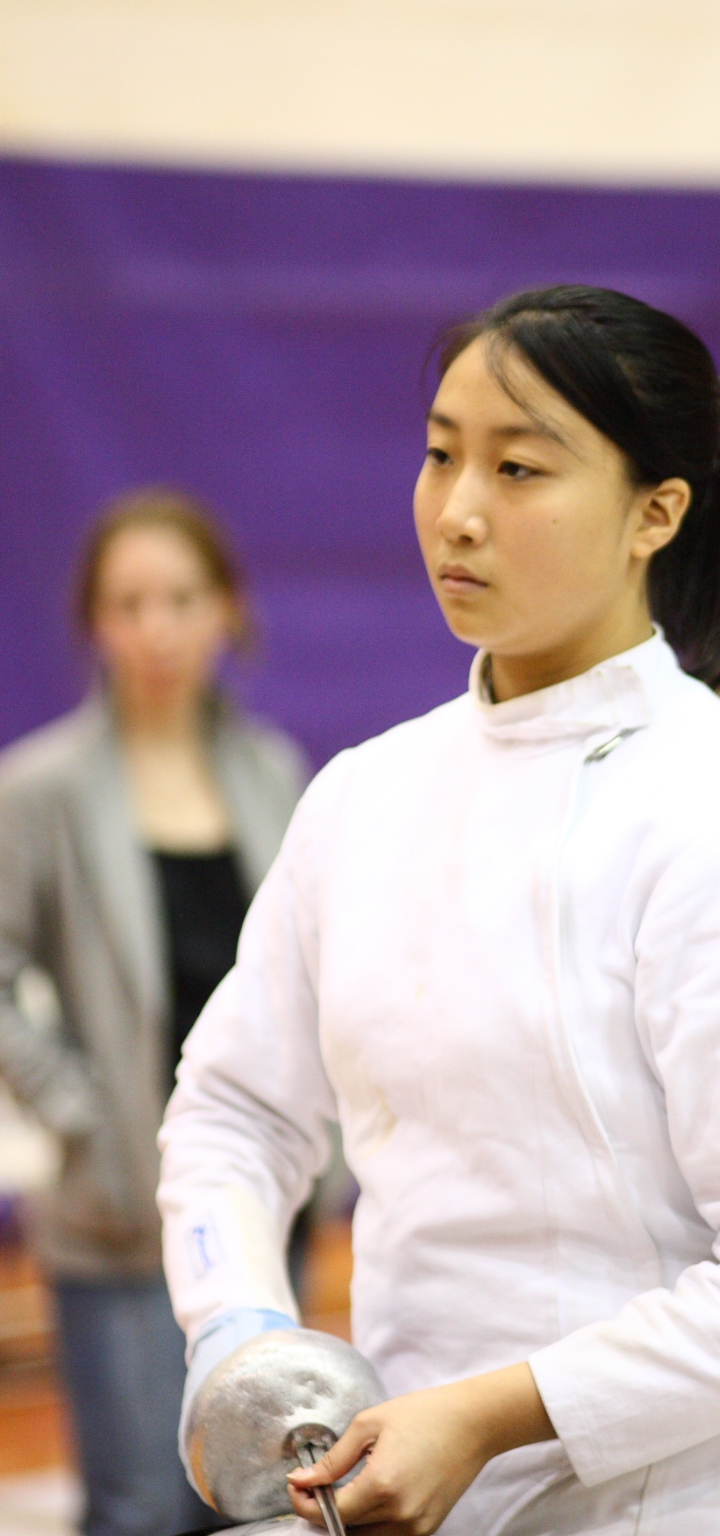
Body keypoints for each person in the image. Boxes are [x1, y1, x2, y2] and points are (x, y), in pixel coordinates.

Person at [159, 286, 720, 1536]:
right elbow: (235, 1108)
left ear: (655, 512)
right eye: (440, 454)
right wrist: (237, 1329)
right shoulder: (366, 797)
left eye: (518, 469)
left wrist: (484, 1415)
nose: (458, 510)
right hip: (390, 1485)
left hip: (665, 1506)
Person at [0, 488, 308, 1536]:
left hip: (263, 1204)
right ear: (96, 622)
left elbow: (303, 965)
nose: (157, 629)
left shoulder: (270, 772)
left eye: (180, 599)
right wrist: (73, 1109)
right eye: (128, 604)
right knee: (137, 1505)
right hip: (121, 1212)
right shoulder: (43, 789)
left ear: (226, 609)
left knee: (249, 1502)